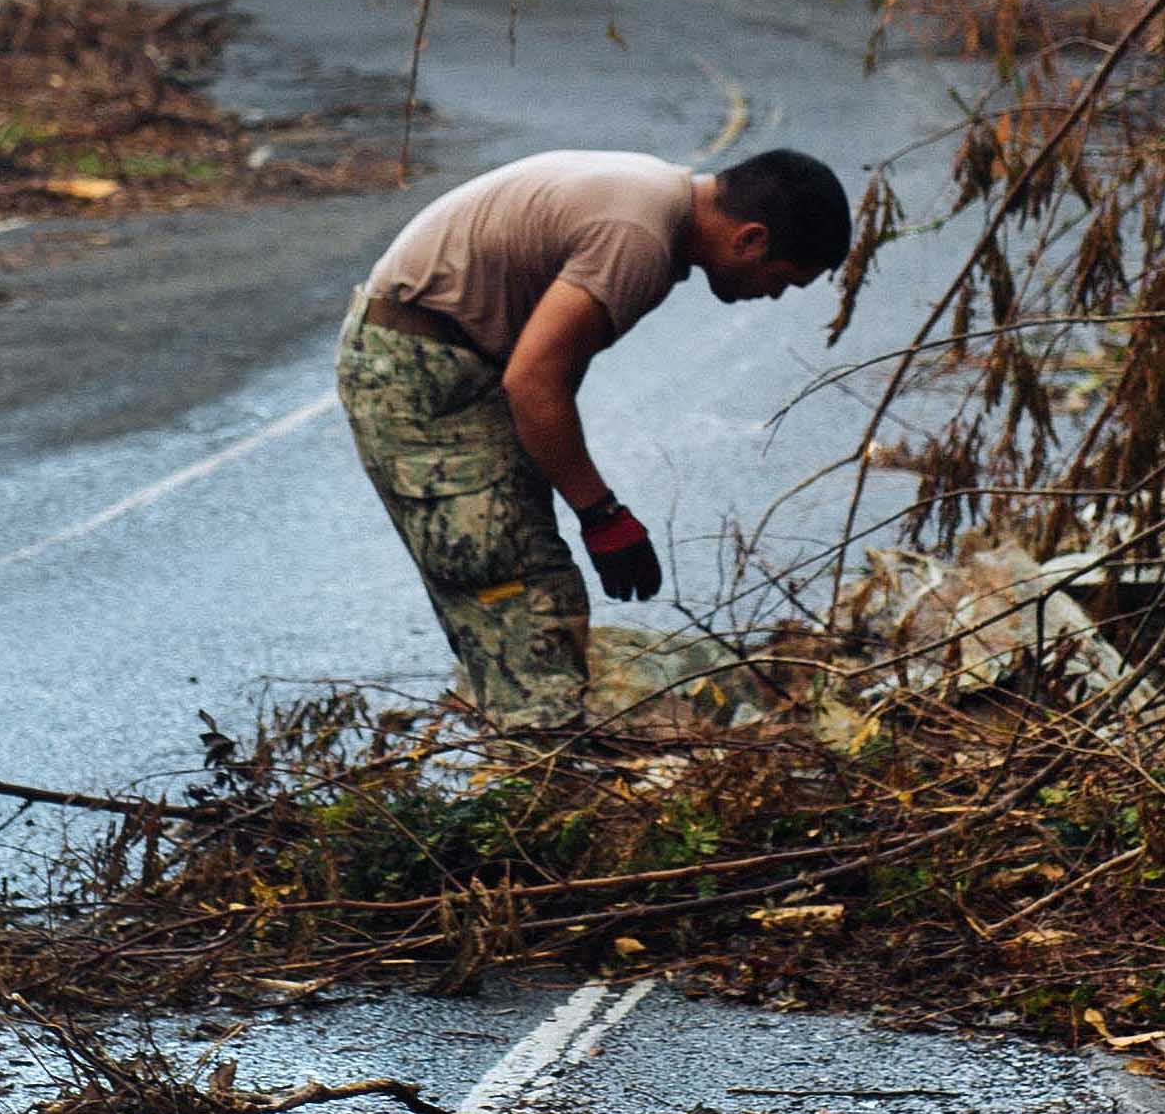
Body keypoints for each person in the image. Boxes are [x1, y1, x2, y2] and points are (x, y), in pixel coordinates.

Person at [338, 145, 847, 729]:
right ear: (751, 239)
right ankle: (537, 780)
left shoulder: (657, 205)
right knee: (524, 597)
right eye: (780, 281)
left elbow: (548, 375)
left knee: (513, 588)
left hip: (447, 362)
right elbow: (533, 383)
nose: (772, 296)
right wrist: (603, 516)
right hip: (422, 373)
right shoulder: (639, 237)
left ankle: (525, 763)